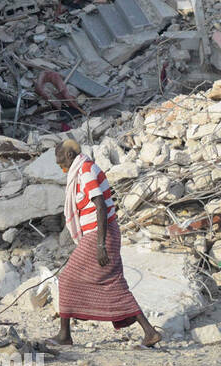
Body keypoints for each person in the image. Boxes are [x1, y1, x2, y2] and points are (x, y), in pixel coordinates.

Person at [48, 139, 161, 349]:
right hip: (104, 233)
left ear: (70, 156)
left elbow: (100, 205)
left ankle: (65, 335)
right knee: (113, 283)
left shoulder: (85, 170)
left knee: (66, 279)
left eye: (60, 160)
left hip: (100, 234)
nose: (59, 165)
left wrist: (100, 245)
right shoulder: (82, 168)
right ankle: (150, 332)